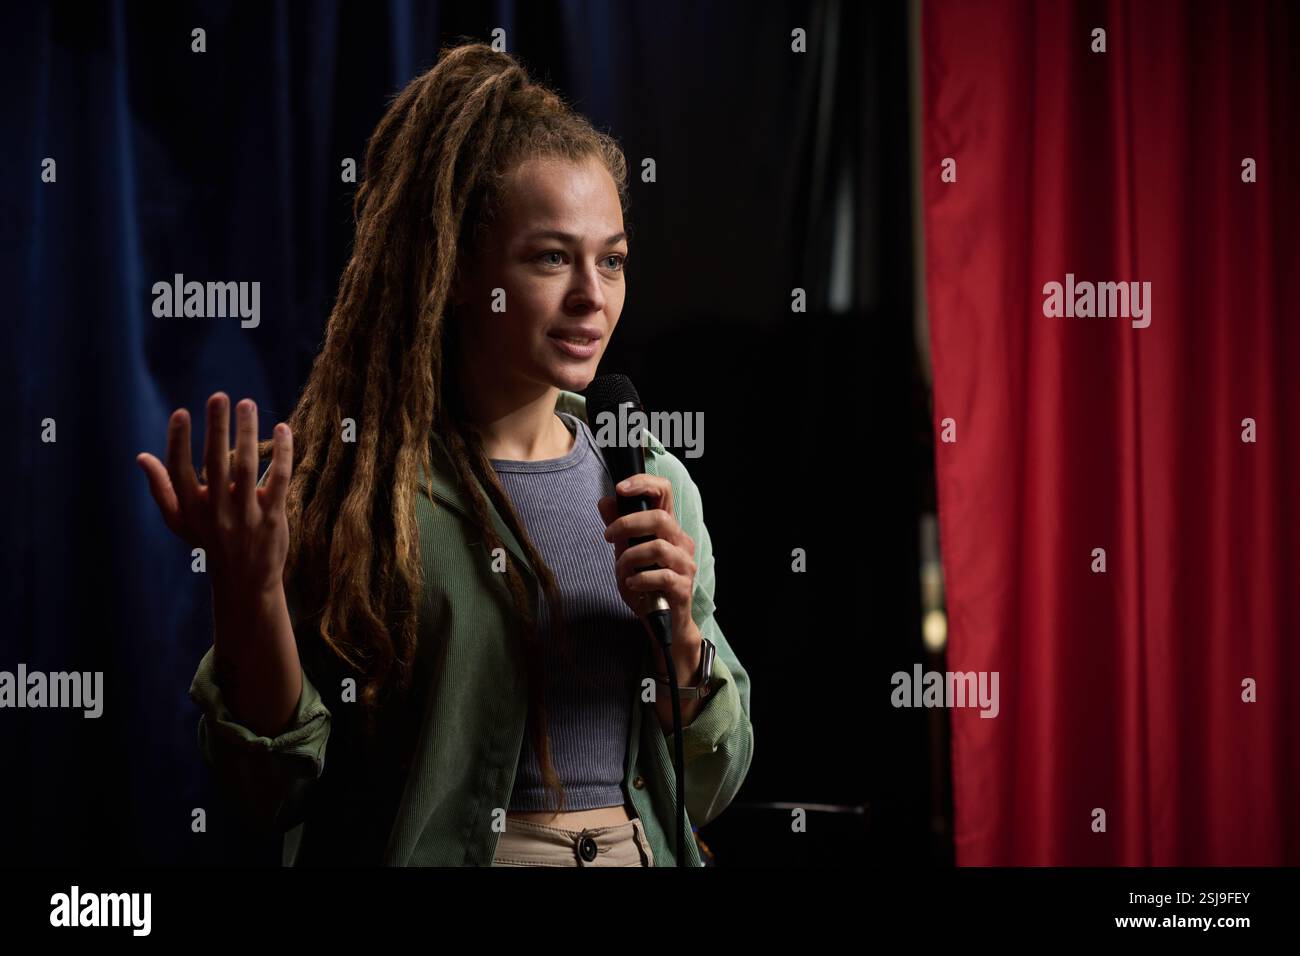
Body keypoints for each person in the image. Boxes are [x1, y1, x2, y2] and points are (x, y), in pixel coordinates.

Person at [135, 41, 753, 867]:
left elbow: (715, 779)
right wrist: (248, 593)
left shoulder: (653, 478)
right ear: (459, 269)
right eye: (550, 258)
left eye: (611, 261)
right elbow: (272, 787)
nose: (591, 297)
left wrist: (680, 642)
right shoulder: (365, 486)